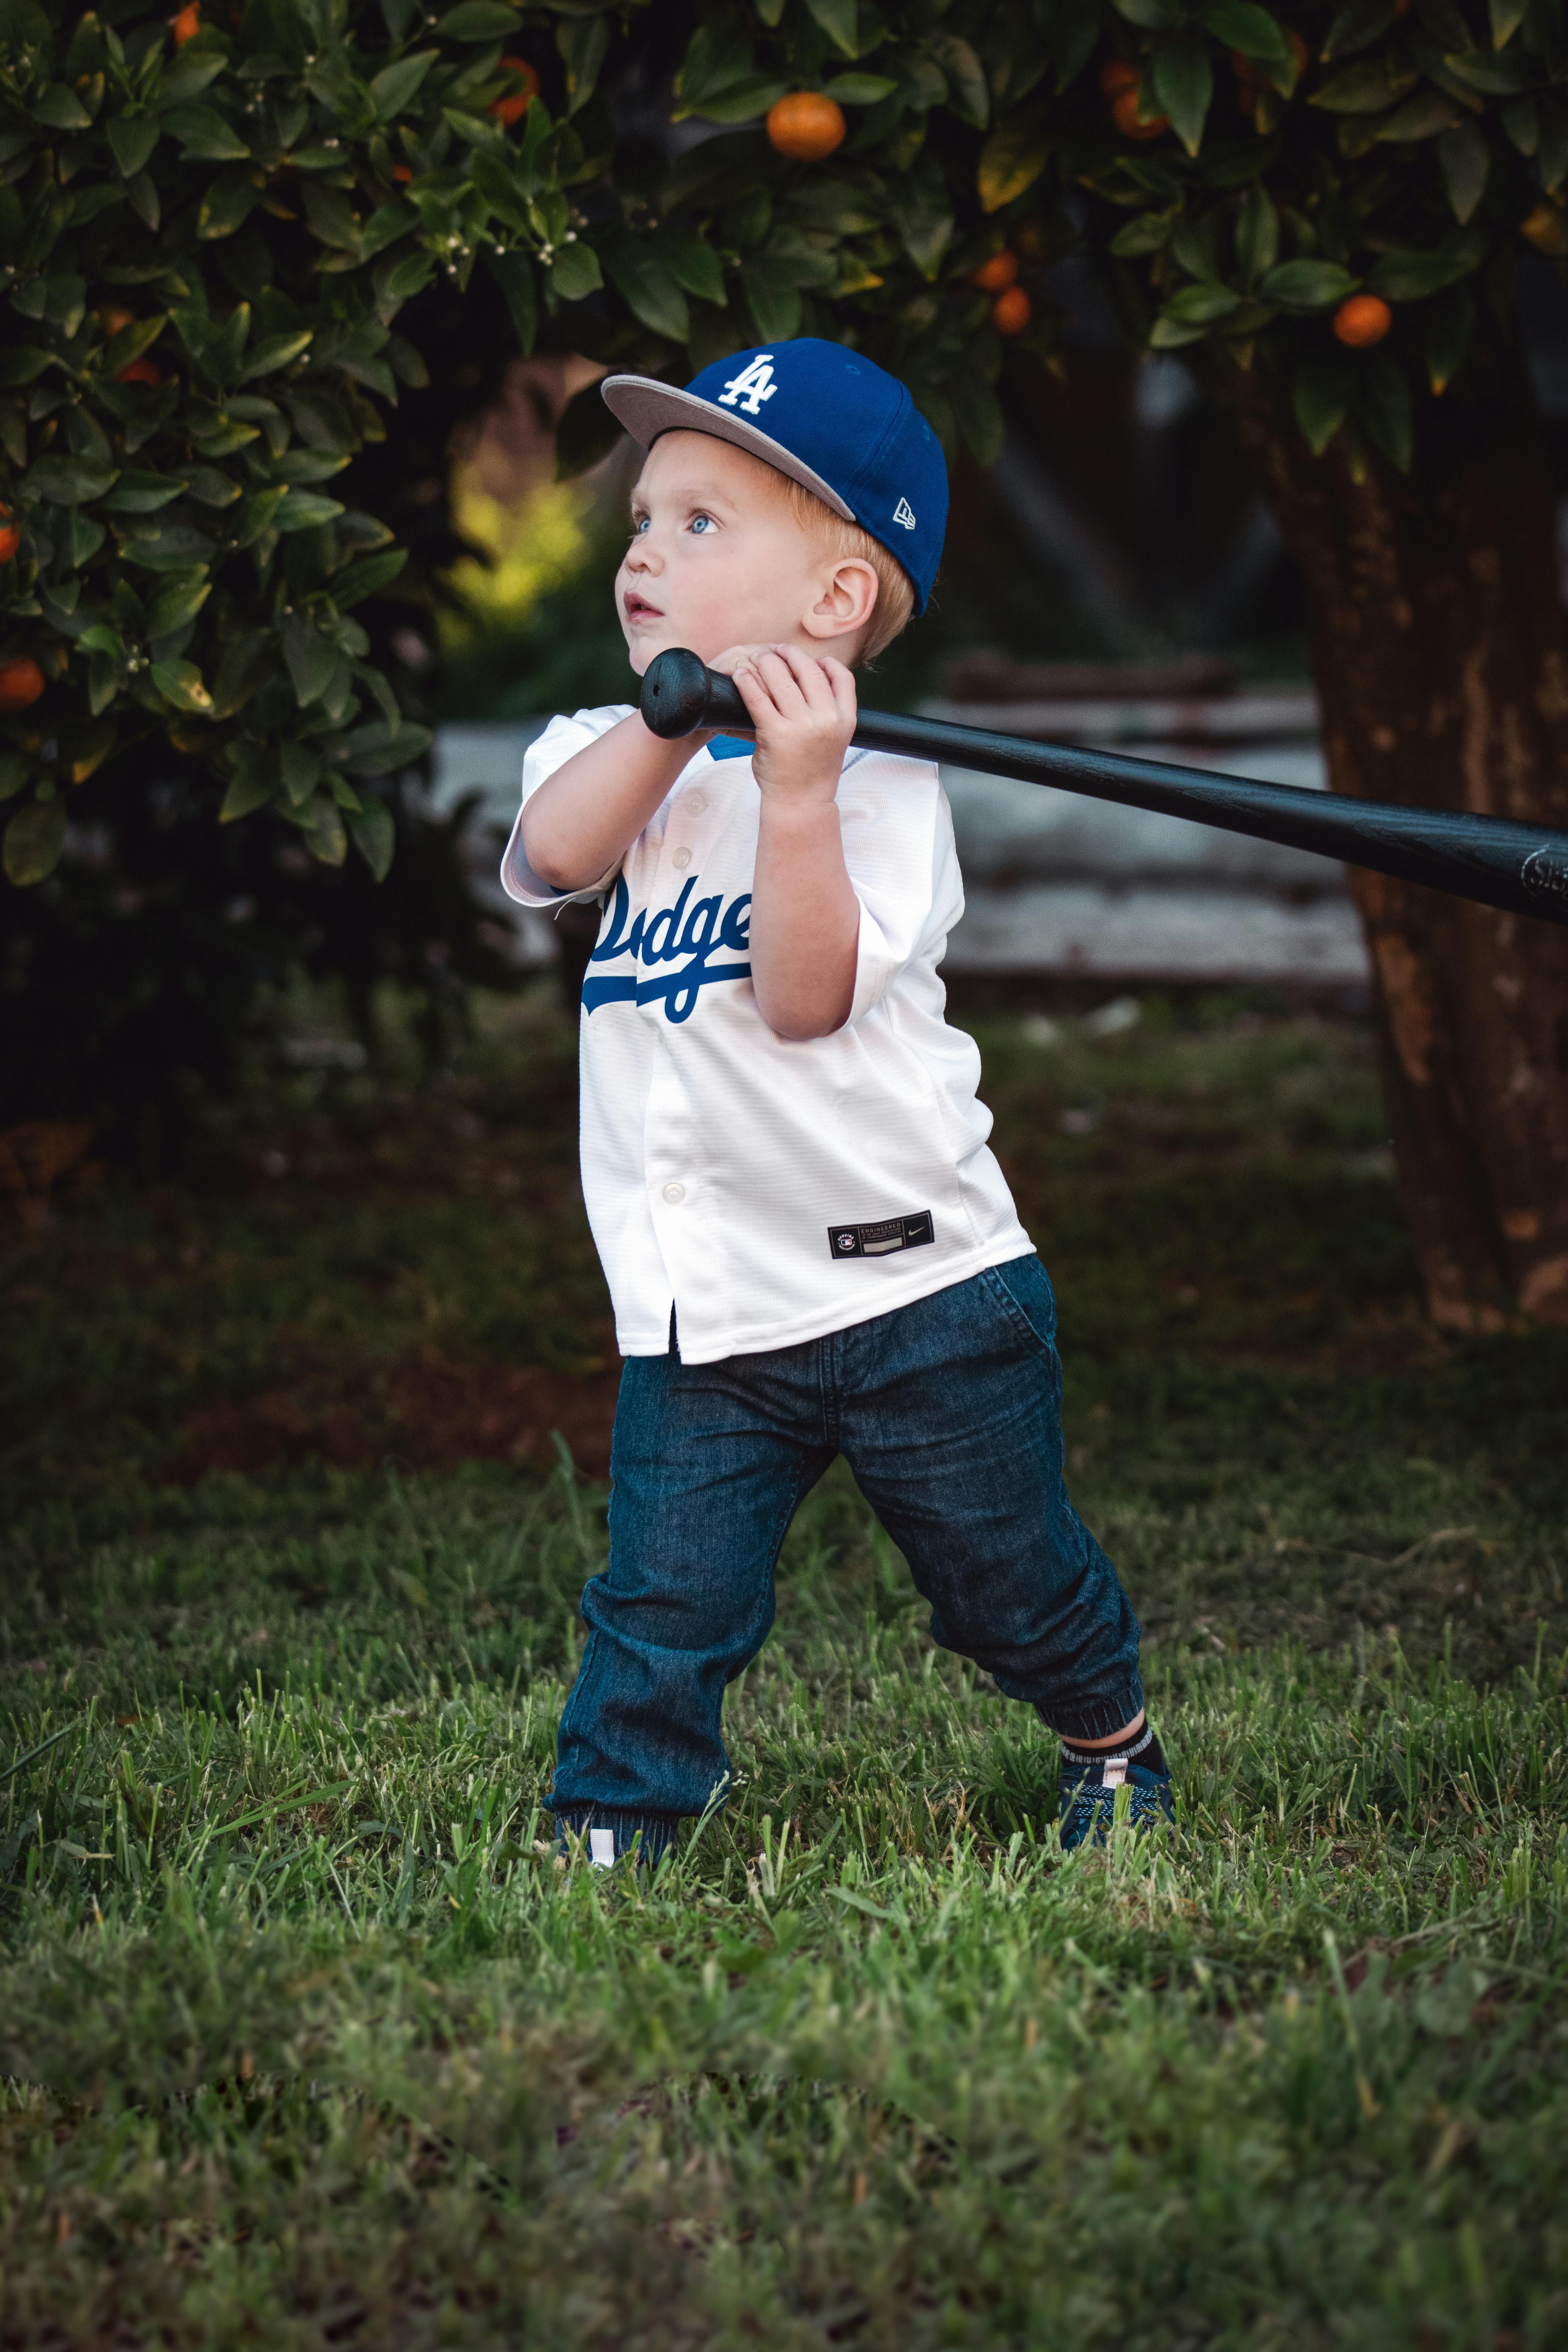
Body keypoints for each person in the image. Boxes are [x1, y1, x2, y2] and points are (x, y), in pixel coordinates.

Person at [500, 339, 1173, 1863]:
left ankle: (1110, 1740)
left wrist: (794, 791)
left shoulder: (883, 792)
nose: (643, 553)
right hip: (706, 1299)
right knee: (666, 1591)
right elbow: (552, 855)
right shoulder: (605, 755)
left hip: (918, 1291)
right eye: (642, 521)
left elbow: (805, 1002)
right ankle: (617, 1811)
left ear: (836, 601)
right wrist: (675, 725)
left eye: (700, 524)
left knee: (1002, 1583)